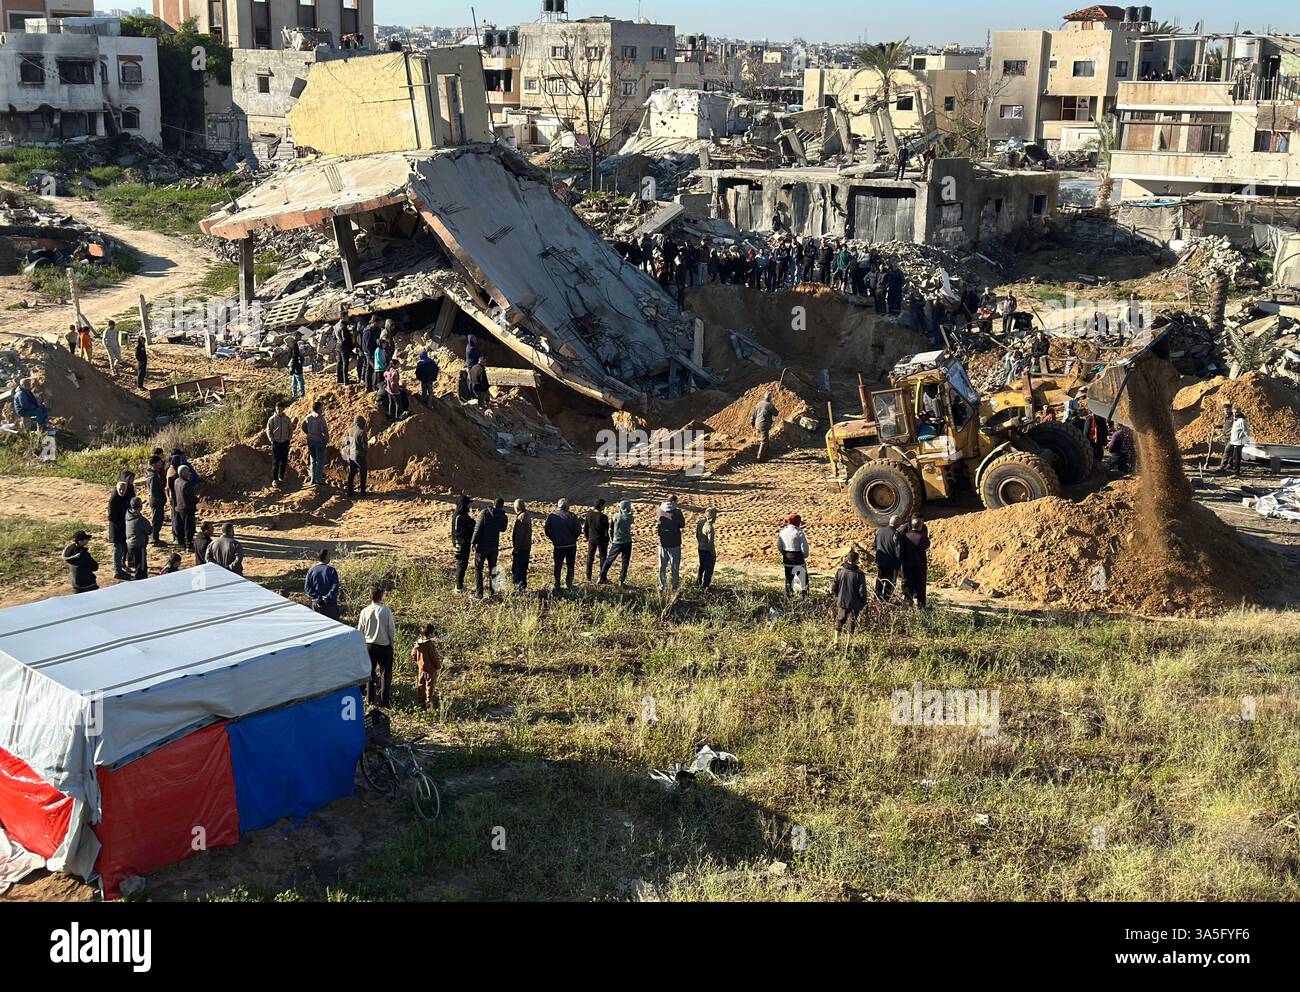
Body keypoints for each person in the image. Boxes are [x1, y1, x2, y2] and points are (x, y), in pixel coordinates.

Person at [357, 585, 396, 707]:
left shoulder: (364, 611)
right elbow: (391, 630)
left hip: (369, 645)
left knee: (370, 672)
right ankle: (384, 700)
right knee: (386, 673)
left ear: (370, 596)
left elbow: (360, 629)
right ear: (381, 596)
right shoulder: (386, 611)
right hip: (384, 645)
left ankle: (370, 698)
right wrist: (392, 642)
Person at [471, 497, 508, 599]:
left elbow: (477, 529)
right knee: (492, 569)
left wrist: (473, 542)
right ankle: (492, 593)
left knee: (478, 569)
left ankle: (479, 594)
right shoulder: (503, 516)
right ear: (502, 505)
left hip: (482, 546)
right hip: (493, 546)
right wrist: (502, 516)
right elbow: (503, 529)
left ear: (493, 504)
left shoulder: (484, 513)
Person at [830, 549, 867, 650]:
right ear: (856, 560)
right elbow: (862, 591)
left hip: (842, 601)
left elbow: (834, 586)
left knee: (839, 620)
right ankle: (848, 645)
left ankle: (836, 642)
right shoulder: (859, 574)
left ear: (847, 559)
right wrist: (863, 602)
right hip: (854, 603)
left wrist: (837, 596)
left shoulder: (840, 571)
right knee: (852, 624)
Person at [544, 498, 582, 592]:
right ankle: (569, 584)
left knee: (558, 566)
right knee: (570, 566)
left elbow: (547, 531)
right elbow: (578, 530)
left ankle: (557, 584)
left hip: (558, 546)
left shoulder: (552, 516)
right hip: (571, 545)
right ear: (567, 506)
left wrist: (554, 539)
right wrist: (573, 538)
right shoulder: (572, 516)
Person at [897, 515, 931, 608]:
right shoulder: (922, 537)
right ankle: (921, 606)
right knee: (920, 587)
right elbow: (927, 545)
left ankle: (907, 605)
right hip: (919, 565)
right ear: (920, 525)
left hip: (907, 565)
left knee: (907, 585)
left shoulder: (905, 536)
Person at [656, 495, 686, 595]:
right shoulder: (677, 512)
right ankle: (674, 587)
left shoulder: (659, 510)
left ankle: (662, 586)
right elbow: (682, 524)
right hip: (674, 542)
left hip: (662, 542)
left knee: (662, 566)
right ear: (674, 502)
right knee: (674, 567)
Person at [600, 499, 634, 586]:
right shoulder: (630, 517)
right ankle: (621, 581)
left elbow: (610, 529)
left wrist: (611, 539)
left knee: (609, 559)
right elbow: (630, 519)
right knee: (625, 562)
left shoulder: (615, 516)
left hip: (616, 541)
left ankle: (602, 576)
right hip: (627, 542)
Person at [410, 623, 443, 710]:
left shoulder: (418, 644)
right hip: (430, 669)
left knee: (421, 684)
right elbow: (434, 657)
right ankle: (428, 702)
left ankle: (421, 701)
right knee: (430, 685)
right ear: (430, 634)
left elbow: (413, 653)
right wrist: (438, 666)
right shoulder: (429, 645)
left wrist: (418, 662)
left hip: (421, 668)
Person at [777, 514, 810, 597]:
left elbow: (779, 546)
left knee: (789, 581)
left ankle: (789, 598)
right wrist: (804, 556)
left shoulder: (783, 532)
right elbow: (804, 549)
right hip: (798, 562)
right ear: (797, 523)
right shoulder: (799, 533)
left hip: (787, 561)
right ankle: (805, 599)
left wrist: (785, 554)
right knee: (804, 581)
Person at [873, 515, 904, 601]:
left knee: (880, 579)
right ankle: (886, 600)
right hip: (892, 563)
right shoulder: (896, 534)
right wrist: (899, 563)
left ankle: (877, 598)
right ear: (897, 524)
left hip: (880, 561)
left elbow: (875, 545)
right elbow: (899, 551)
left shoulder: (880, 531)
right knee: (890, 583)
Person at [305, 549, 341, 619]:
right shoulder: (332, 570)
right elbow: (335, 587)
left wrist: (318, 599)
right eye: (329, 555)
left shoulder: (311, 570)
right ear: (326, 557)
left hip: (316, 605)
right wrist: (325, 599)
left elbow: (307, 588)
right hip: (330, 605)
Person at [450, 495, 475, 593]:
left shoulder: (463, 515)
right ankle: (459, 587)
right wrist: (458, 545)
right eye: (468, 504)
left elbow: (471, 523)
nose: (469, 506)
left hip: (464, 543)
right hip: (460, 544)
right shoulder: (459, 516)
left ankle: (460, 585)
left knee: (463, 565)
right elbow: (457, 532)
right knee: (461, 565)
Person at [107, 480, 131, 580]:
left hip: (123, 528)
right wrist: (122, 521)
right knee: (118, 550)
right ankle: (117, 570)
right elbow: (111, 516)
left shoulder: (125, 497)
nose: (121, 491)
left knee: (122, 549)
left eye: (123, 489)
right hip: (117, 529)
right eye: (120, 489)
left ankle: (120, 567)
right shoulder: (113, 500)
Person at [583, 498, 610, 583]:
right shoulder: (604, 517)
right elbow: (607, 531)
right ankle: (602, 577)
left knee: (590, 557)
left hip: (592, 539)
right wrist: (607, 540)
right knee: (603, 558)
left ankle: (588, 577)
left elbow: (585, 529)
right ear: (601, 507)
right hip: (602, 540)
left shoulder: (589, 515)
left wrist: (588, 538)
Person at [303, 400, 329, 486]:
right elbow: (324, 431)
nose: (322, 409)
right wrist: (326, 439)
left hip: (310, 440)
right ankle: (319, 479)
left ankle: (313, 479)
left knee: (313, 460)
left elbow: (303, 427)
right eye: (321, 408)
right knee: (320, 460)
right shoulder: (321, 419)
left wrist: (309, 433)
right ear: (318, 409)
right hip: (319, 440)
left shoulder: (308, 417)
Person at [266, 400, 292, 484]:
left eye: (280, 409)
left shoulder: (287, 419)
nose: (278, 411)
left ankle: (281, 477)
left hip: (285, 442)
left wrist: (289, 439)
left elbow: (290, 429)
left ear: (283, 409)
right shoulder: (272, 419)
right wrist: (272, 440)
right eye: (277, 409)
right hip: (276, 442)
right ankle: (275, 479)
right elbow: (268, 430)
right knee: (276, 461)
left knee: (284, 461)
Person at [172, 466, 197, 551]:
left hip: (179, 508)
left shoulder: (176, 481)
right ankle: (189, 545)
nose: (189, 473)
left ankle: (181, 543)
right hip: (187, 509)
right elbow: (192, 498)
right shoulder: (186, 484)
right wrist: (197, 499)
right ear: (182, 473)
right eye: (187, 472)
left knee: (181, 527)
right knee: (188, 528)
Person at [144, 454, 167, 546]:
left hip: (157, 500)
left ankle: (155, 538)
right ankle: (154, 539)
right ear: (154, 464)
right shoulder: (153, 476)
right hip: (156, 500)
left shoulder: (154, 474)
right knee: (157, 520)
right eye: (159, 462)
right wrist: (161, 499)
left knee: (159, 519)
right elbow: (154, 491)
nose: (161, 463)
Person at [125, 496, 150, 580]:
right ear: (140, 506)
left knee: (134, 567)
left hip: (129, 545)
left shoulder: (128, 516)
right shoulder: (140, 520)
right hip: (139, 546)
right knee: (141, 570)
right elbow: (149, 530)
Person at [344, 414, 368, 498]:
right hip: (360, 456)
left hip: (351, 455)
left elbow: (346, 444)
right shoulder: (362, 432)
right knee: (363, 473)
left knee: (352, 473)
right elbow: (365, 447)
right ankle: (362, 492)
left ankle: (350, 491)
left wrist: (346, 455)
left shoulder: (349, 430)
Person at [510, 499, 532, 590]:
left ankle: (518, 587)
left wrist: (516, 549)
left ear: (517, 508)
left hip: (521, 548)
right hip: (526, 546)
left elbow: (519, 535)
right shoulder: (527, 515)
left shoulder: (521, 518)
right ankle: (522, 585)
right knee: (523, 567)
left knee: (518, 568)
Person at [752, 390, 778, 462]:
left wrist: (752, 423)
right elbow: (776, 413)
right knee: (764, 441)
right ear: (770, 398)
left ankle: (766, 454)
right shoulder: (769, 405)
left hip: (758, 424)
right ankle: (760, 457)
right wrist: (773, 405)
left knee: (766, 439)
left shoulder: (759, 403)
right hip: (764, 425)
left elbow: (754, 414)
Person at [696, 507, 718, 590]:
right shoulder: (710, 527)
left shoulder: (700, 523)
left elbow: (697, 536)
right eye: (715, 515)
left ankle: (698, 583)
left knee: (701, 567)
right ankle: (706, 587)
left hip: (700, 548)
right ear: (712, 517)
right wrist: (713, 554)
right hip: (707, 550)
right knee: (708, 570)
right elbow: (710, 543)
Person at [1226, 409, 1249, 477]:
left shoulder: (1242, 420)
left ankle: (1236, 473)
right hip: (1233, 441)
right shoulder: (1236, 420)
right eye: (1233, 412)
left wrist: (1247, 440)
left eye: (1236, 412)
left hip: (1239, 442)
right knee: (1233, 457)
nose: (1234, 414)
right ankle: (1234, 471)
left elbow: (1246, 431)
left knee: (1236, 458)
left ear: (1239, 412)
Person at [335, 315, 355, 385]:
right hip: (344, 346)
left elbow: (334, 336)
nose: (348, 318)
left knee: (339, 362)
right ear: (343, 317)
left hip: (338, 345)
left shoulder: (336, 325)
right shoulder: (343, 326)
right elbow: (345, 338)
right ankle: (346, 380)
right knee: (345, 363)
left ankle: (339, 379)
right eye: (347, 317)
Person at [288, 331, 306, 399]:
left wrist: (291, 368)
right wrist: (293, 367)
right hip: (296, 365)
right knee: (300, 380)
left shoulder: (292, 344)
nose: (301, 337)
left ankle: (294, 395)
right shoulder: (295, 345)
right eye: (300, 336)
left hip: (293, 365)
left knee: (294, 381)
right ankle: (302, 395)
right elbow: (294, 357)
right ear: (296, 336)